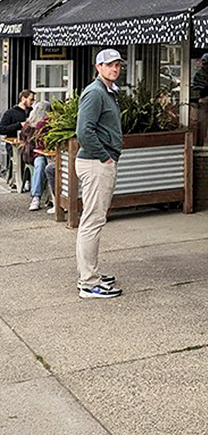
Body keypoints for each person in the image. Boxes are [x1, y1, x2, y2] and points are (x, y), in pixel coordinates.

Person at [75, 49, 124, 299]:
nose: (114, 69)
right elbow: (84, 131)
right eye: (110, 65)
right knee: (92, 222)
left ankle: (90, 273)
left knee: (93, 220)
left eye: (117, 65)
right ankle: (88, 282)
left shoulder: (108, 92)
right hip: (96, 163)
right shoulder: (95, 93)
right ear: (98, 67)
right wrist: (104, 155)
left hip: (99, 162)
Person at [19, 100, 50, 210]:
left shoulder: (48, 125)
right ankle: (36, 197)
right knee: (40, 164)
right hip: (33, 155)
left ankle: (53, 198)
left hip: (47, 154)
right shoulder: (30, 125)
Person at [1, 89, 35, 184]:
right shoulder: (10, 113)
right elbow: (1, 129)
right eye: (31, 99)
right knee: (24, 154)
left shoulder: (33, 112)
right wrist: (19, 125)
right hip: (14, 145)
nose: (32, 102)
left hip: (29, 143)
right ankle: (23, 180)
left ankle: (30, 180)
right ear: (23, 99)